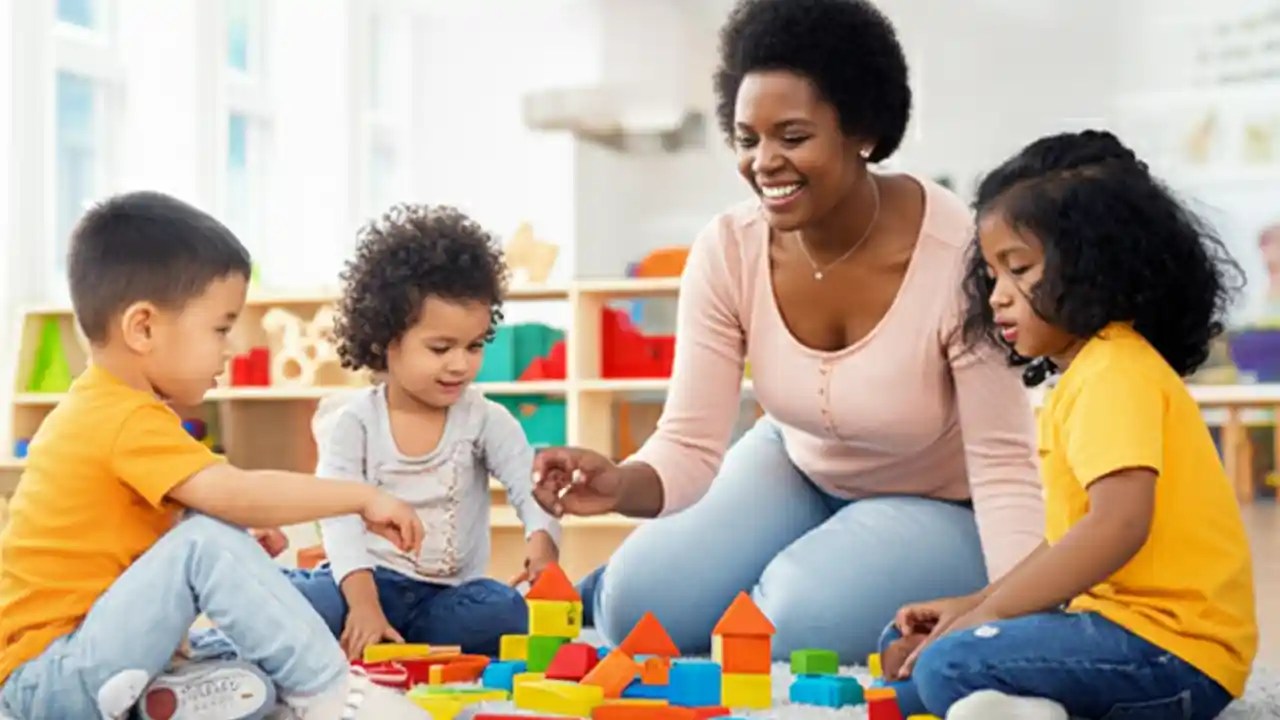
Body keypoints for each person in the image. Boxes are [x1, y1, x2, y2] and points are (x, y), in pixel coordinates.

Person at [531, 0, 1044, 660]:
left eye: (793, 137)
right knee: (637, 611)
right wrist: (620, 483)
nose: (764, 162)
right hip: (798, 463)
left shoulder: (957, 257)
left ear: (860, 130)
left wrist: (1016, 611)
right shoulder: (728, 249)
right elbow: (689, 442)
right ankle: (662, 578)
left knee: (787, 626)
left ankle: (787, 579)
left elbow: (1004, 467)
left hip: (941, 504)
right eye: (748, 139)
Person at [0, 191, 433, 719]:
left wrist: (228, 530)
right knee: (206, 543)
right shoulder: (122, 418)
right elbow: (238, 493)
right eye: (221, 328)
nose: (229, 350)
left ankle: (157, 705)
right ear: (143, 328)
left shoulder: (106, 409)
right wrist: (361, 496)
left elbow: (133, 529)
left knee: (245, 671)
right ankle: (335, 697)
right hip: (50, 677)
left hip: (77, 663)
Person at [880, 129, 1257, 719]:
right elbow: (1067, 544)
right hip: (1124, 637)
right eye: (992, 276)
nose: (998, 297)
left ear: (1095, 269)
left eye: (1019, 269)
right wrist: (976, 603)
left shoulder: (1115, 370)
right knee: (906, 656)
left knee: (948, 663)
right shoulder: (1086, 372)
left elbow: (1119, 525)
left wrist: (992, 617)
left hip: (1173, 655)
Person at [287, 204, 561, 660]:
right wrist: (364, 606)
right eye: (440, 348)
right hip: (366, 583)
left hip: (446, 598)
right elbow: (340, 519)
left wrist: (542, 544)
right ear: (385, 340)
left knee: (505, 613)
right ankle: (356, 621)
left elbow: (528, 484)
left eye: (474, 346)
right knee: (301, 605)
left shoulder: (484, 418)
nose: (460, 364)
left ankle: (402, 645)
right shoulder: (354, 423)